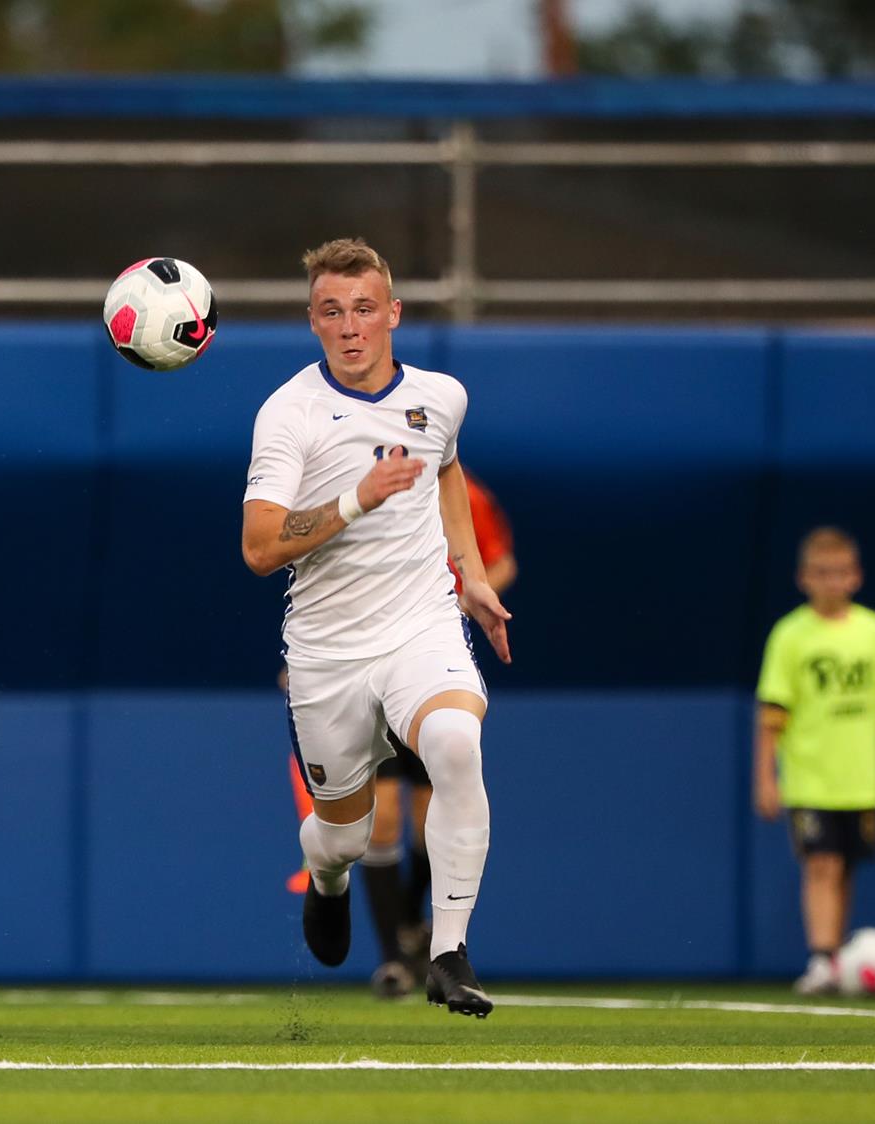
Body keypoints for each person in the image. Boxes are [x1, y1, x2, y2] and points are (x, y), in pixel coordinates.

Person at [242, 237, 512, 1018]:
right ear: (313, 321)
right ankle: (326, 879)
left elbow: (447, 466)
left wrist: (472, 573)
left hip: (420, 628)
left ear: (392, 312)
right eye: (333, 312)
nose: (351, 326)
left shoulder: (441, 396)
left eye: (364, 309)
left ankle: (448, 951)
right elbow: (259, 548)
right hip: (328, 654)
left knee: (458, 744)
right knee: (348, 837)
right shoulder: (289, 413)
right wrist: (357, 498)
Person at [284, 473, 516, 1001]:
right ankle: (392, 952)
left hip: (425, 659)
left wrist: (459, 599)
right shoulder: (342, 475)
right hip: (356, 660)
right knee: (373, 819)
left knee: (434, 803)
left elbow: (498, 559)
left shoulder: (459, 486)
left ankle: (424, 937)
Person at [755, 527, 875, 995]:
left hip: (859, 774)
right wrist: (766, 776)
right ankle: (822, 956)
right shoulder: (790, 635)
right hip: (810, 774)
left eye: (840, 572)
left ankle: (836, 956)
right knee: (821, 864)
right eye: (822, 573)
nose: (832, 581)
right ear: (804, 578)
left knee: (844, 866)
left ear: (856, 577)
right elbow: (771, 714)